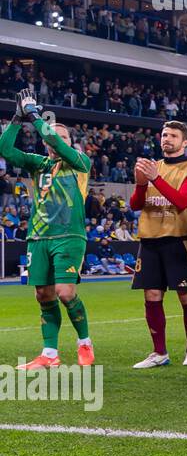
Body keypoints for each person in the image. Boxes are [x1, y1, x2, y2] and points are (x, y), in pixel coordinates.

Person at [2, 99, 95, 369]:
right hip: (38, 238)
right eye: (53, 136)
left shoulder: (80, 163)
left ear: (70, 143)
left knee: (65, 292)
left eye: (63, 137)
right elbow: (4, 149)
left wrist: (36, 116)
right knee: (43, 295)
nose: (56, 140)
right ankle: (49, 355)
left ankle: (84, 343)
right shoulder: (37, 164)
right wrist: (18, 119)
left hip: (69, 237)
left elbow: (53, 137)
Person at [129, 120, 187, 369]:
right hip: (150, 239)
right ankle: (159, 352)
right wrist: (142, 184)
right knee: (152, 295)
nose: (167, 139)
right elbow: (135, 204)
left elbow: (182, 201)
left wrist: (155, 179)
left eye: (173, 135)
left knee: (186, 296)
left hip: (182, 240)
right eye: (164, 134)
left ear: (185, 142)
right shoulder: (153, 167)